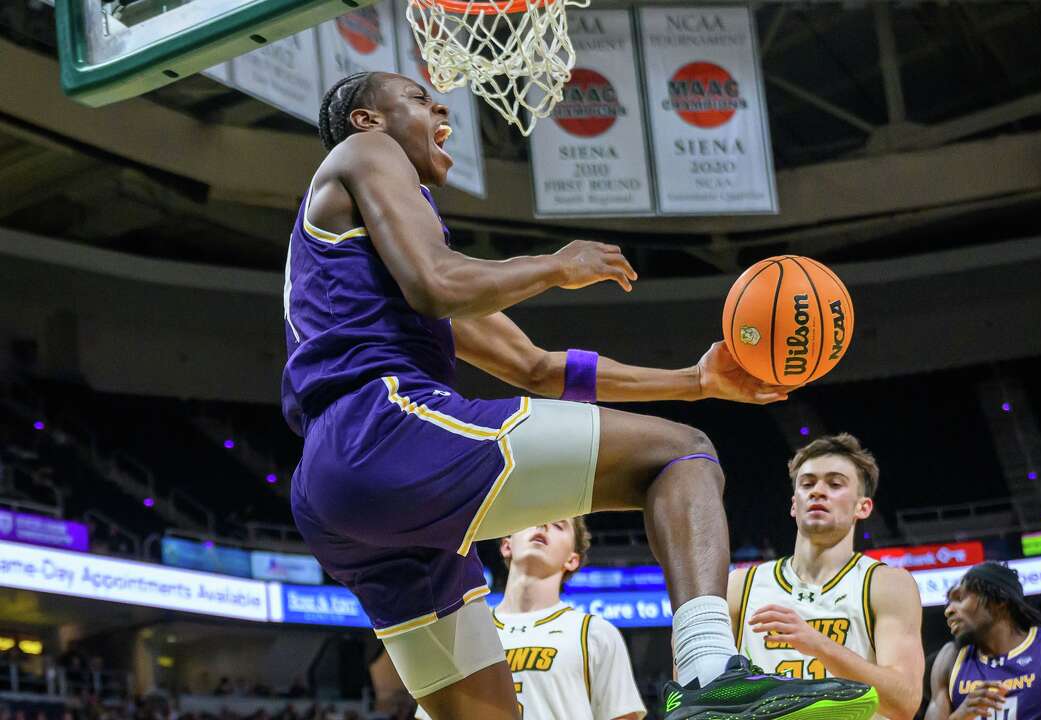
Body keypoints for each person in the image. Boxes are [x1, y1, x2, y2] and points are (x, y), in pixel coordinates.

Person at [284, 70, 881, 720]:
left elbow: (536, 367)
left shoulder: (377, 262)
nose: (439, 105)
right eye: (417, 98)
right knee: (681, 457)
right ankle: (711, 672)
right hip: (382, 427)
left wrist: (695, 381)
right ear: (367, 120)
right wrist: (556, 266)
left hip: (336, 494)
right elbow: (437, 281)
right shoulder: (366, 154)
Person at [728, 434, 924, 720]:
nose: (818, 491)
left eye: (834, 484)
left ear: (863, 507)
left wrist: (817, 644)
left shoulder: (885, 584)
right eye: (807, 484)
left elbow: (904, 700)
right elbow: (694, 690)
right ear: (794, 504)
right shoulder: (741, 586)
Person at [418, 518, 646, 720]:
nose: (544, 524)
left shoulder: (594, 632)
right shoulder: (466, 632)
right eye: (533, 519)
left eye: (558, 525)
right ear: (506, 545)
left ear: (572, 560)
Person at [925, 562, 1041, 719]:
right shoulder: (950, 660)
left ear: (999, 600)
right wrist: (960, 716)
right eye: (949, 603)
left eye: (959, 598)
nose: (948, 610)